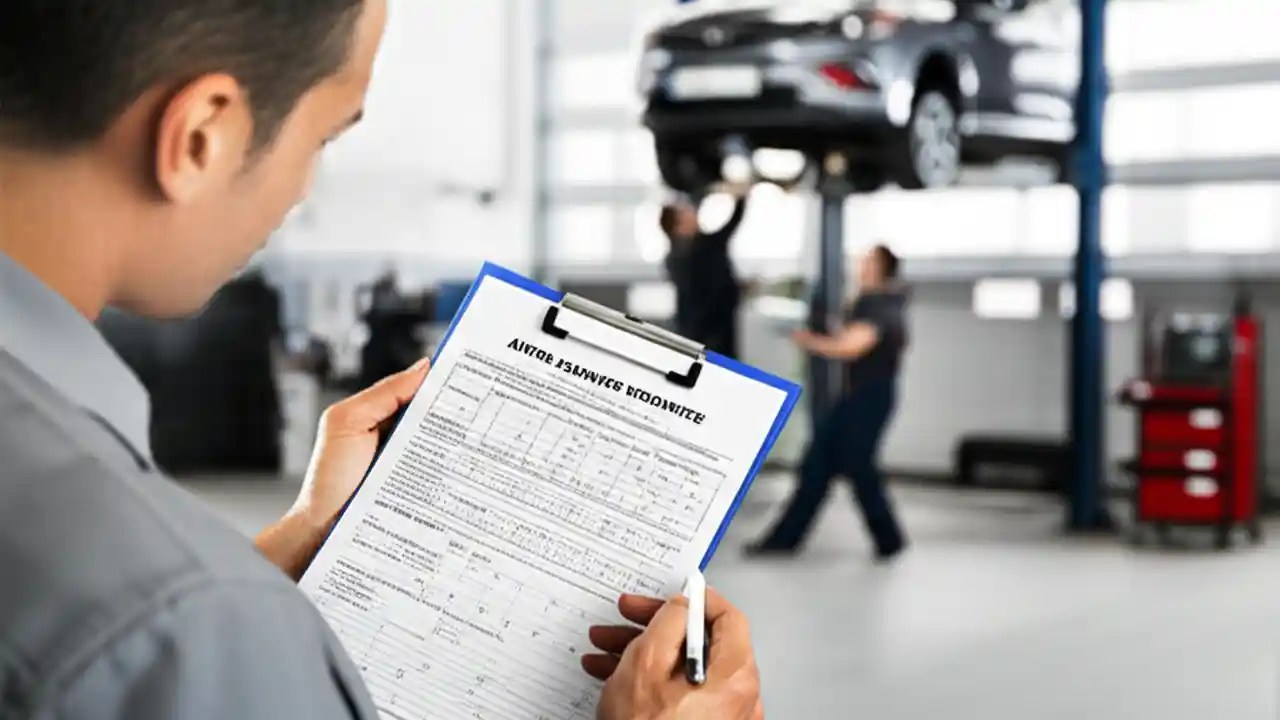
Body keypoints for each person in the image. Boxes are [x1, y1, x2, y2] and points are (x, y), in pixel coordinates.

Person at [0, 2, 763, 718]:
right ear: (203, 135)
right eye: (326, 136)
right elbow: (160, 631)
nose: (306, 186)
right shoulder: (185, 620)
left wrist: (303, 537)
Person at [747, 245, 909, 561]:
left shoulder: (880, 306)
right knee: (820, 468)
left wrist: (807, 340)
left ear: (881, 267)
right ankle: (786, 540)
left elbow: (850, 347)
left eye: (868, 261)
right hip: (861, 397)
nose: (861, 266)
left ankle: (889, 540)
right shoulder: (874, 303)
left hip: (867, 400)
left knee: (850, 469)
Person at [662, 189, 748, 358]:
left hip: (696, 332)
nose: (693, 215)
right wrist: (741, 198)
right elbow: (730, 227)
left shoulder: (677, 255)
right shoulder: (698, 249)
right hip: (711, 333)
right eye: (686, 214)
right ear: (679, 226)